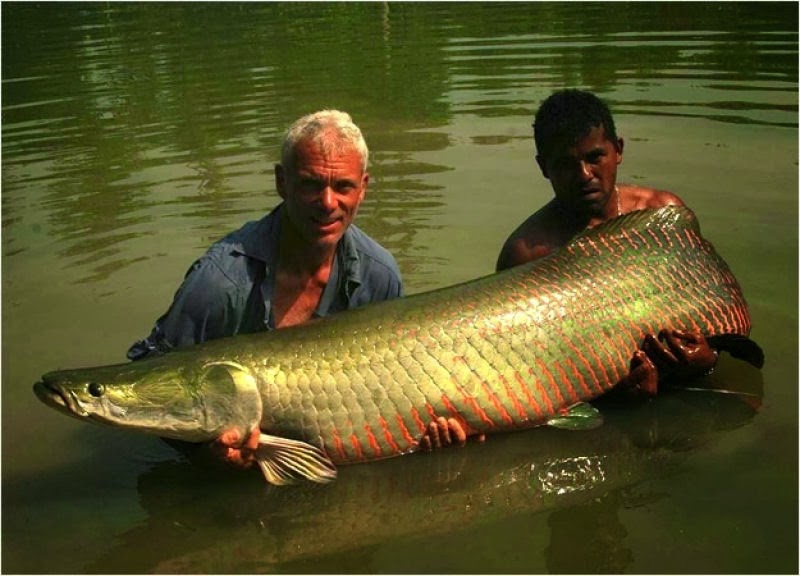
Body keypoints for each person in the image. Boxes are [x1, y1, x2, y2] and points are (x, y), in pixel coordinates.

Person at [130, 110, 456, 467]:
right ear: (282, 182)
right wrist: (205, 453)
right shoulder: (219, 282)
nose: (328, 203)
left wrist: (429, 430)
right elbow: (149, 384)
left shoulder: (379, 274)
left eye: (343, 186)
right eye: (311, 184)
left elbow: (395, 385)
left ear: (363, 188)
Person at [496, 90, 717, 395]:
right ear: (543, 167)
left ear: (618, 150)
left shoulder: (663, 217)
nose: (584, 174)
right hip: (600, 393)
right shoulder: (526, 254)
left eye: (595, 157)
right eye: (565, 164)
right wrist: (612, 392)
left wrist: (708, 358)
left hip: (683, 379)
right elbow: (525, 366)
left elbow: (705, 310)